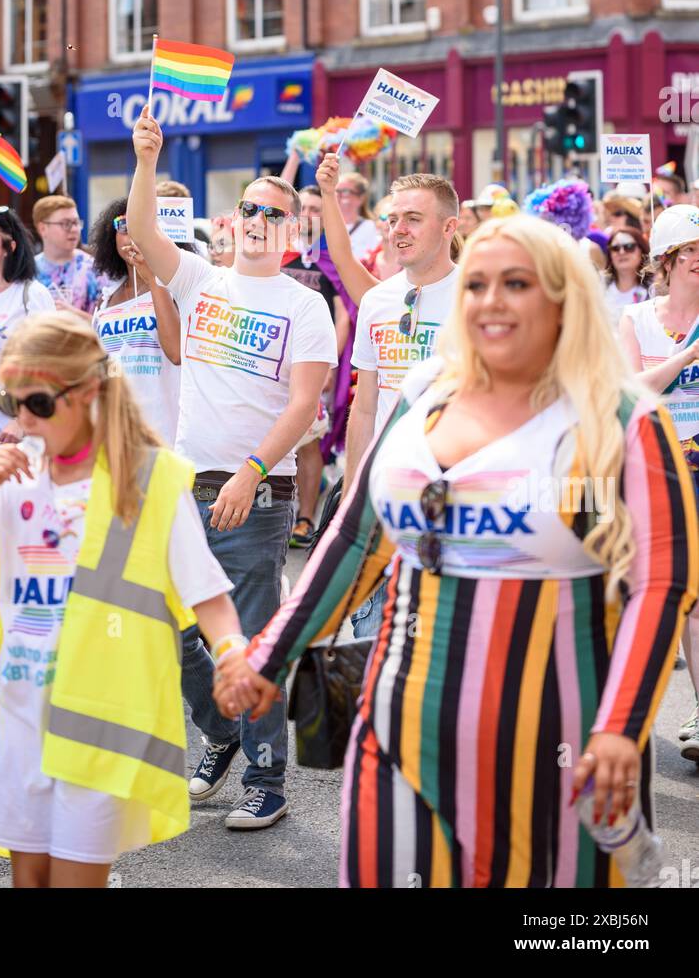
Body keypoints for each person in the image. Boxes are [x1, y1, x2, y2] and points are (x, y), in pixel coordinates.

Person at [215, 214, 698, 888]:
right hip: (400, 731)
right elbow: (356, 541)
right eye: (474, 284)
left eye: (516, 283)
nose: (490, 300)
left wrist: (620, 725)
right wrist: (271, 653)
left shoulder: (616, 419)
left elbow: (659, 582)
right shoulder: (421, 398)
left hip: (562, 748)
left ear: (562, 300)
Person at [0, 312, 241, 887]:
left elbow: (207, 593)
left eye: (40, 404)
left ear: (88, 392)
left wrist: (232, 656)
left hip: (97, 729)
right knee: (28, 882)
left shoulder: (146, 482)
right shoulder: (11, 481)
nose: (23, 420)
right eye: (11, 403)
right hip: (18, 721)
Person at [127, 105, 337, 829]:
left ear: (289, 231)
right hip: (184, 492)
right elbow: (144, 232)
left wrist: (251, 471)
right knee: (182, 636)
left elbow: (304, 406)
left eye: (271, 213)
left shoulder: (305, 305)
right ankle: (218, 737)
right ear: (230, 221)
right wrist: (148, 160)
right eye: (246, 208)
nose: (254, 219)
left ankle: (265, 775)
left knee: (246, 642)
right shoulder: (198, 278)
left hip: (256, 496)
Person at [344, 172, 459, 638]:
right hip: (385, 497)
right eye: (392, 220)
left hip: (453, 501)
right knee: (375, 645)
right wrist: (353, 495)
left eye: (414, 218)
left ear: (449, 227)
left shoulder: (478, 299)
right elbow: (365, 406)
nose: (398, 230)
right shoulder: (376, 301)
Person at [619, 203, 699, 759]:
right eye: (689, 252)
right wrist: (689, 354)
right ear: (666, 261)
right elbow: (631, 392)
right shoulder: (638, 320)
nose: (697, 261)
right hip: (658, 465)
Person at [281, 185, 352, 548]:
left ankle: (306, 518)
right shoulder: (279, 252)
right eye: (303, 208)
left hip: (311, 360)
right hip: (275, 357)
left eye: (315, 209)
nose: (308, 214)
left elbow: (343, 316)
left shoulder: (332, 258)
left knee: (308, 440)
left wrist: (330, 362)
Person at [89, 198, 182, 448]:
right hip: (113, 428)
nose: (134, 236)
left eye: (144, 226)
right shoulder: (106, 297)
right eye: (124, 227)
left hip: (162, 429)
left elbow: (176, 352)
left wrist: (152, 277)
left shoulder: (174, 288)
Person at [0, 206, 55, 440]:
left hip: (12, 436)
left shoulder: (32, 295)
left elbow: (50, 362)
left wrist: (21, 421)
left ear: (9, 247)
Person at [33, 195, 100, 317]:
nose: (74, 229)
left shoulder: (94, 268)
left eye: (76, 223)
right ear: (43, 228)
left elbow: (107, 325)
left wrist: (73, 315)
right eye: (65, 223)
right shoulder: (28, 271)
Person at [601, 226, 649, 325]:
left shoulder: (655, 289)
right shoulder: (598, 286)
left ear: (642, 250)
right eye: (615, 248)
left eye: (629, 247)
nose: (621, 252)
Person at [335, 171, 379, 259]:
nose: (338, 195)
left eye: (345, 191)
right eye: (336, 191)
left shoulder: (371, 227)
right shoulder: (323, 225)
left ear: (361, 198)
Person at [361, 195, 402, 282]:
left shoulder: (414, 262)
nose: (388, 222)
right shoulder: (367, 263)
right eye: (384, 218)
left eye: (394, 218)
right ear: (376, 223)